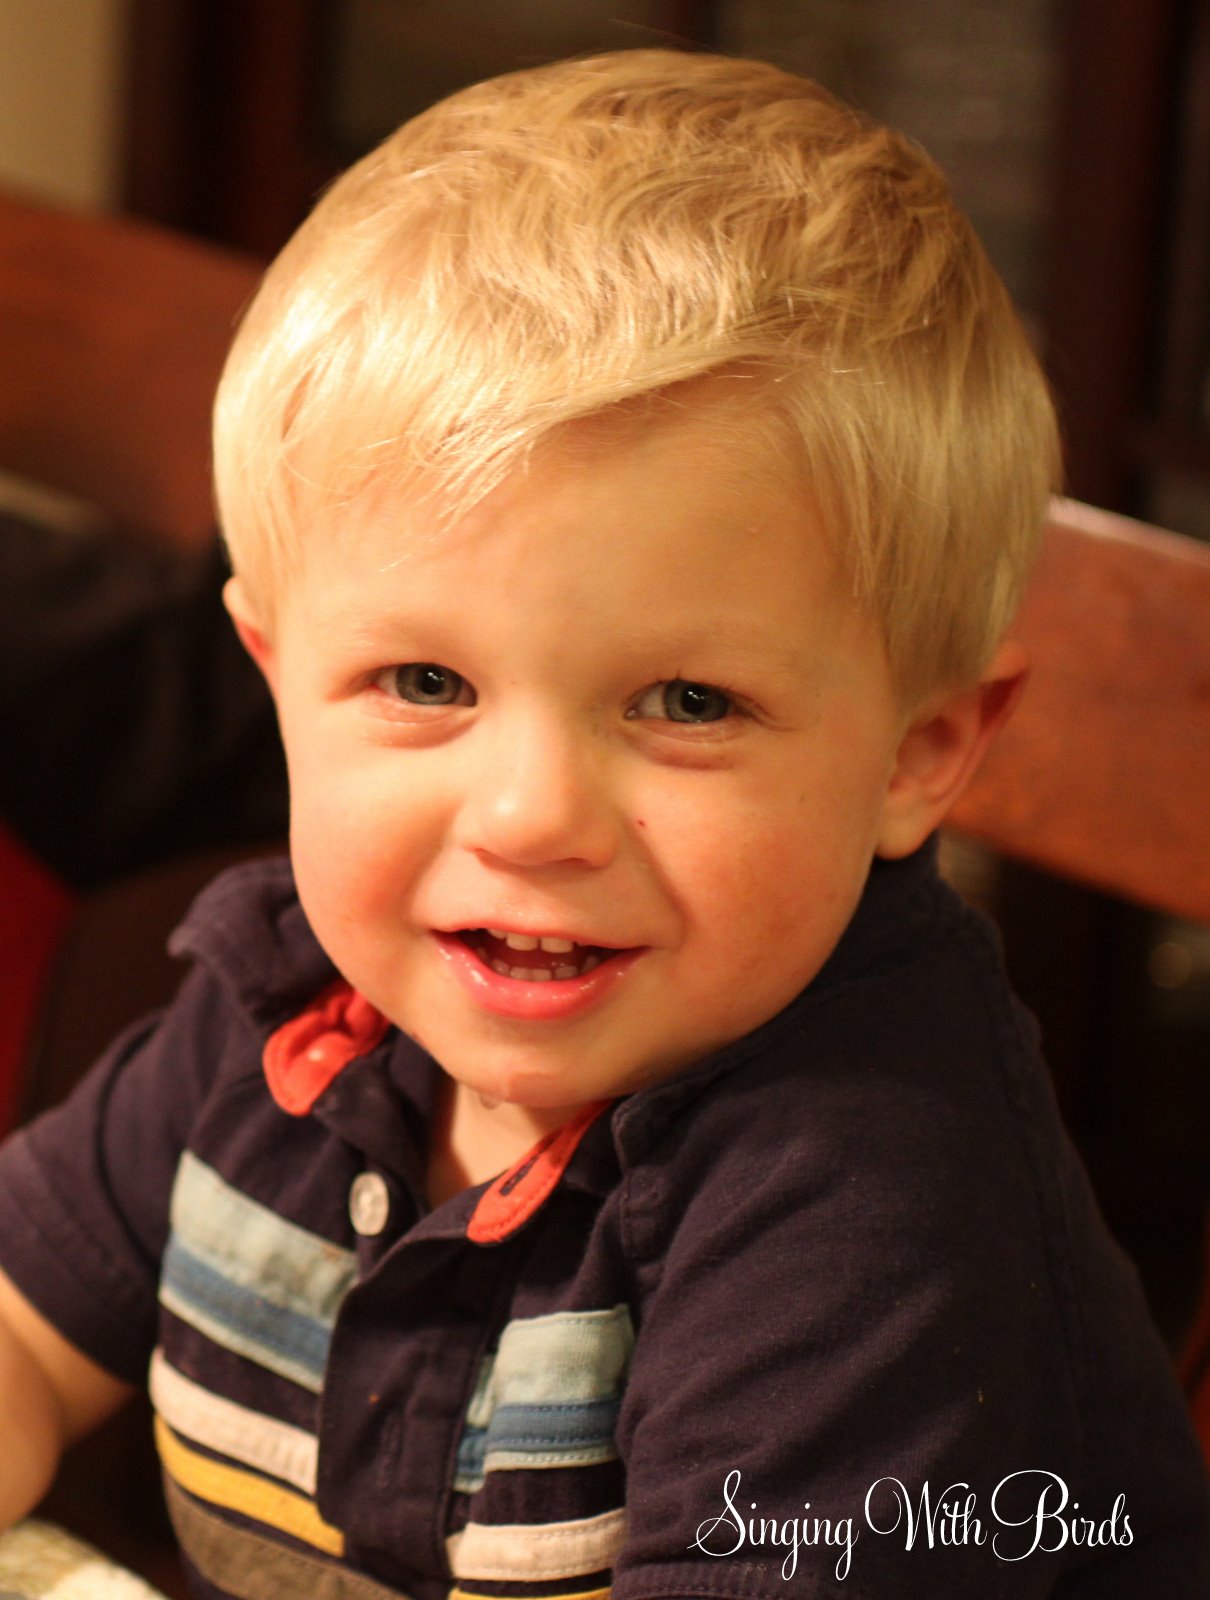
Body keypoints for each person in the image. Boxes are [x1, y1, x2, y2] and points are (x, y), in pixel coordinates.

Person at [0, 49, 1205, 1600]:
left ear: (920, 751)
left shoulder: (872, 1212)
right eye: (424, 679)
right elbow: (24, 1332)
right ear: (275, 680)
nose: (529, 815)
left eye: (685, 703)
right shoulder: (292, 1010)